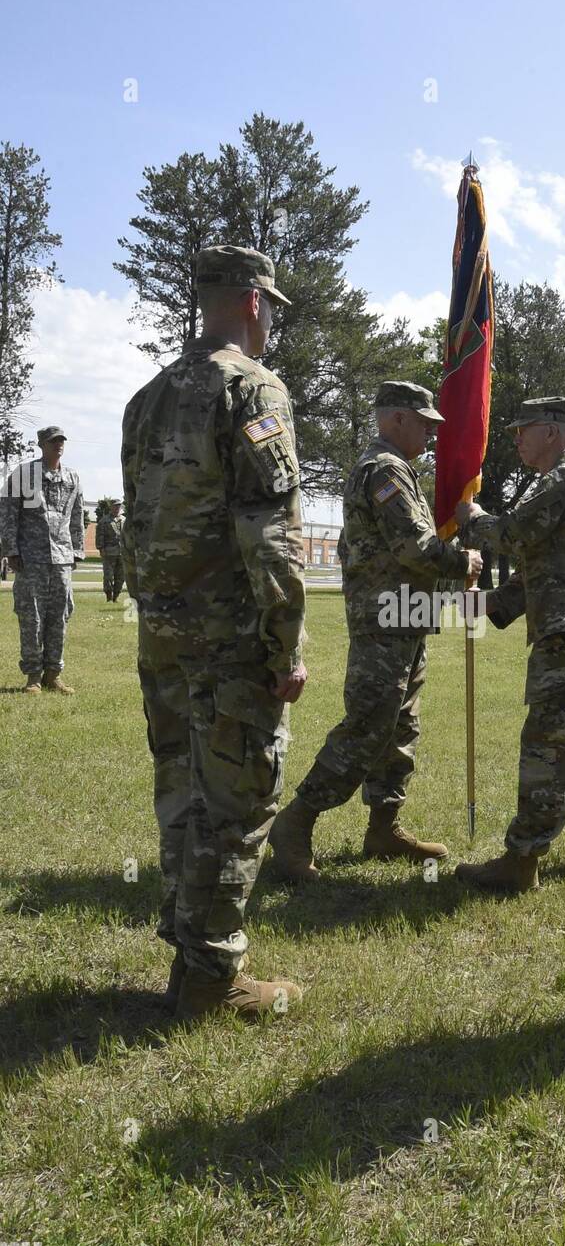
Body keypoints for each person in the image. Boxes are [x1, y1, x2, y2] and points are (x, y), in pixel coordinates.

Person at [121, 244, 307, 1021]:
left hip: (163, 632)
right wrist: (285, 643)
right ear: (255, 302)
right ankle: (213, 977)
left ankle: (189, 951)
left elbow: (135, 527)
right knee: (236, 802)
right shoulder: (252, 390)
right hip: (229, 635)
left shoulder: (148, 398)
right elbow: (271, 534)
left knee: (182, 790)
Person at [269, 381, 482, 881]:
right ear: (395, 419)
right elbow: (414, 547)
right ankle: (295, 823)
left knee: (400, 726)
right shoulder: (384, 469)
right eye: (424, 423)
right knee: (368, 725)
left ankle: (383, 828)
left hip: (404, 616)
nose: (432, 433)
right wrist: (461, 559)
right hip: (385, 618)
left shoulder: (397, 467)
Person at [453, 397, 565, 893]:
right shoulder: (563, 484)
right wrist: (492, 605)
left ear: (551, 432)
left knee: (548, 743)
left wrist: (471, 517)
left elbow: (514, 534)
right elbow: (540, 566)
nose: (516, 439)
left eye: (522, 429)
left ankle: (522, 858)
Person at [0, 426, 84, 694]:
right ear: (41, 445)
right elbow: (8, 513)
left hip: (61, 558)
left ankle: (53, 674)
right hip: (31, 558)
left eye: (61, 440)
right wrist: (11, 550)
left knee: (59, 615)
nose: (58, 445)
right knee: (31, 616)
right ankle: (33, 676)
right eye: (52, 441)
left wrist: (77, 551)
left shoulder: (72, 477)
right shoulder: (24, 475)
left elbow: (77, 516)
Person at [96, 499, 125, 601]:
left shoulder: (124, 520)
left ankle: (116, 597)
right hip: (109, 552)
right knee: (108, 576)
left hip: (122, 553)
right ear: (111, 507)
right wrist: (101, 549)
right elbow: (100, 536)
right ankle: (108, 596)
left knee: (121, 577)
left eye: (119, 506)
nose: (117, 508)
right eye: (115, 506)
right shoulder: (104, 521)